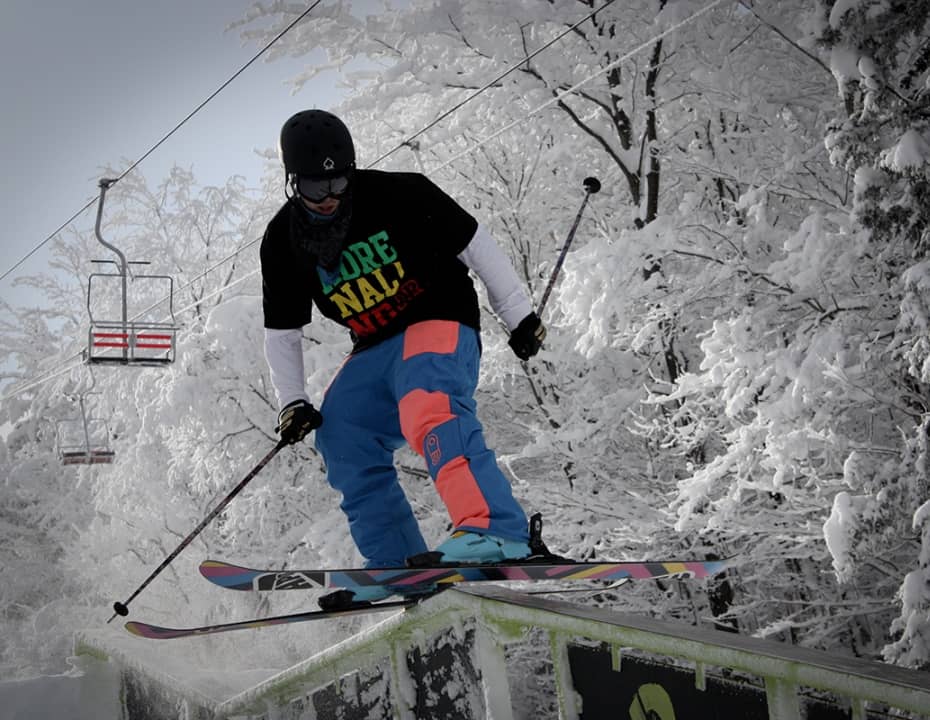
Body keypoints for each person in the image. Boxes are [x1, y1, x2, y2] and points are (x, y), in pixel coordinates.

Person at [260, 109, 546, 606]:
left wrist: (519, 315)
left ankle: (497, 528)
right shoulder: (283, 242)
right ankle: (395, 562)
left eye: (339, 181)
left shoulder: (401, 194)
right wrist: (292, 401)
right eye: (314, 186)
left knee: (425, 402)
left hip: (438, 318)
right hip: (374, 344)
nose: (329, 196)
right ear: (292, 182)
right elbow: (283, 331)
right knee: (341, 435)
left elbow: (476, 245)